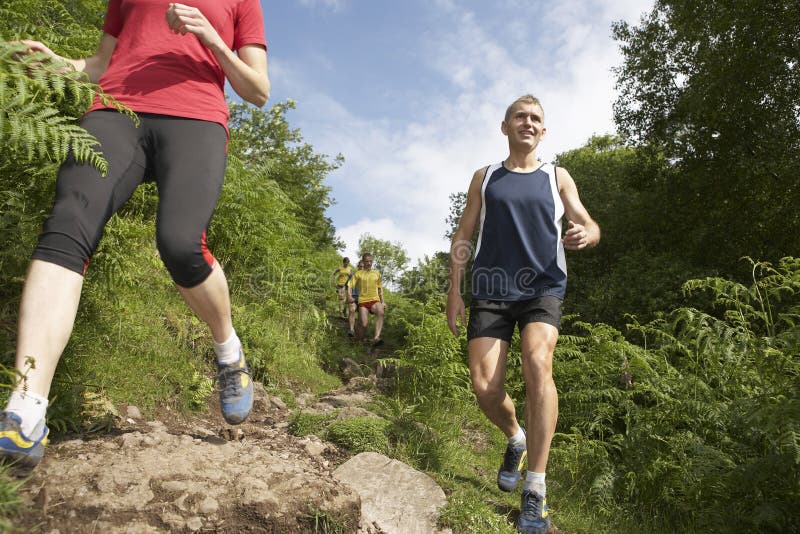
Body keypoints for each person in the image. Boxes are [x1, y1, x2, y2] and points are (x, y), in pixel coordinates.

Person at [0, 1, 270, 469]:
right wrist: (56, 63)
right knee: (68, 223)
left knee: (181, 243)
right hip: (115, 107)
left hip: (196, 117)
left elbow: (259, 90)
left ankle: (228, 352)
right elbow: (101, 63)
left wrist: (211, 37)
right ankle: (25, 410)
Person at [446, 95, 600, 534]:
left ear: (543, 131)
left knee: (537, 363)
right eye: (520, 117)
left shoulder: (557, 176)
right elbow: (464, 234)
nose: (527, 123)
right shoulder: (485, 177)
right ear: (505, 126)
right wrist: (454, 290)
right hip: (491, 289)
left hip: (542, 287)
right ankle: (515, 437)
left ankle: (535, 489)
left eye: (535, 118)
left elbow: (589, 223)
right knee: (485, 388)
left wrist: (585, 234)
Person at [349, 254, 386, 347]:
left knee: (381, 311)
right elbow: (349, 286)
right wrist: (349, 296)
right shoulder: (358, 274)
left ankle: (376, 338)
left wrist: (383, 301)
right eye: (367, 261)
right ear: (363, 261)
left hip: (374, 300)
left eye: (370, 261)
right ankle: (358, 340)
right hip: (363, 302)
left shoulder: (376, 273)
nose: (369, 263)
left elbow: (380, 289)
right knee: (364, 324)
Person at [345, 260, 364, 337]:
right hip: (354, 297)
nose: (361, 268)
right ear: (358, 267)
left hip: (363, 299)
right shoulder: (352, 275)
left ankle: (359, 334)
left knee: (361, 317)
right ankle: (351, 330)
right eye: (360, 266)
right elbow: (348, 287)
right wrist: (348, 296)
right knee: (352, 310)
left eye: (363, 266)